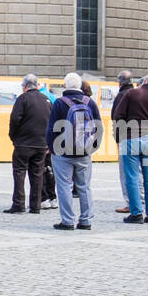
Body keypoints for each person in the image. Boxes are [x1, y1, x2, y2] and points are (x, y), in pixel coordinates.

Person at [45, 72, 101, 231]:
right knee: (84, 186)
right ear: (80, 86)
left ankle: (68, 221)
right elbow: (98, 127)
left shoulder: (59, 103)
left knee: (64, 186)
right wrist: (92, 147)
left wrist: (51, 147)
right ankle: (86, 220)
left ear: (65, 85)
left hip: (62, 152)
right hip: (84, 152)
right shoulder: (90, 103)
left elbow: (51, 129)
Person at [111, 73, 148, 224]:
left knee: (132, 177)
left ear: (145, 80)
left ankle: (136, 213)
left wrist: (120, 135)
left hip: (130, 138)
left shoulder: (132, 93)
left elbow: (118, 115)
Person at [5, 74, 50, 214]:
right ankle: (35, 206)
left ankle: (18, 204)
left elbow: (15, 120)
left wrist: (13, 137)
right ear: (37, 85)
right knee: (37, 174)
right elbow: (52, 122)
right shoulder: (46, 100)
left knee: (19, 173)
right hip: (41, 144)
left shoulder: (22, 99)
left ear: (25, 87)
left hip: (24, 143)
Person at [112, 70, 136, 213]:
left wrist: (117, 138)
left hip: (126, 137)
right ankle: (142, 200)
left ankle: (130, 202)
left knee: (126, 172)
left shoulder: (122, 95)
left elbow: (116, 117)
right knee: (141, 172)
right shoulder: (137, 94)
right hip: (145, 136)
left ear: (120, 82)